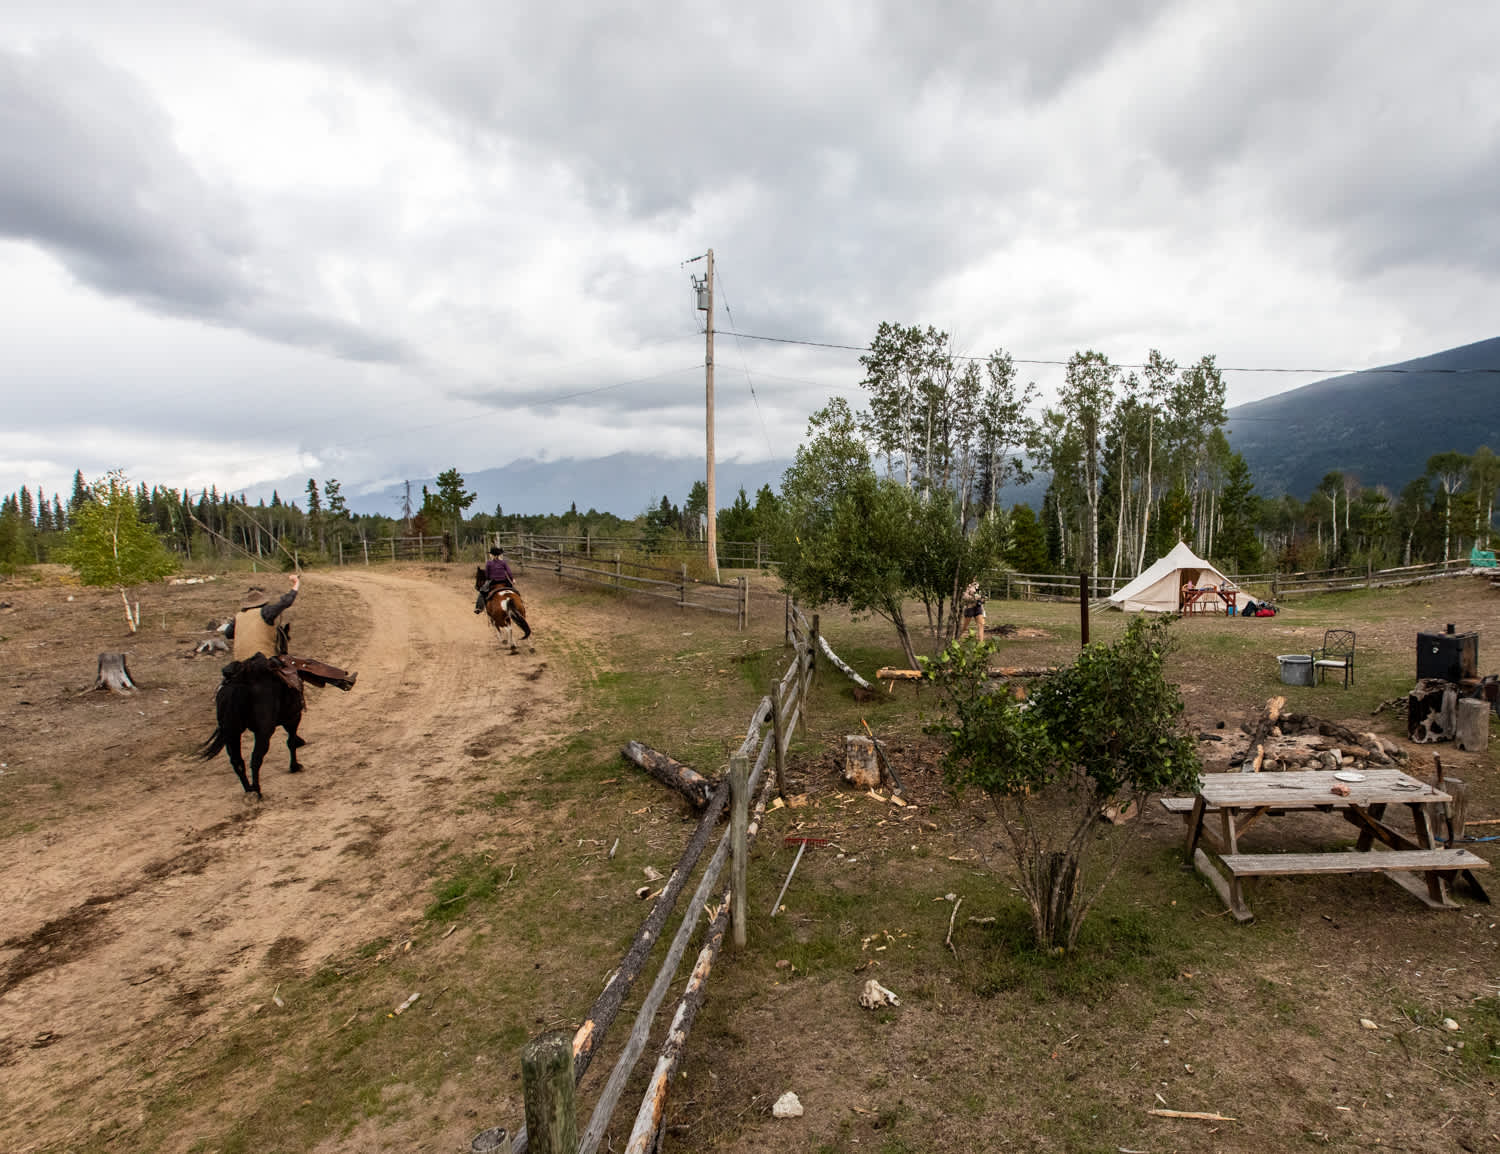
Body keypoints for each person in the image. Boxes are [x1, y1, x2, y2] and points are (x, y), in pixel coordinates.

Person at [227, 573, 299, 660]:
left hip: (240, 664)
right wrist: (296, 583)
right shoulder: (265, 612)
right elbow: (286, 602)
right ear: (263, 602)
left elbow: (228, 634)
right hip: (263, 662)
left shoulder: (238, 617)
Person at [475, 546, 517, 613]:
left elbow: (487, 575)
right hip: (504, 582)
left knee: (482, 591)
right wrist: (512, 579)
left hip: (493, 582)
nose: (490, 555)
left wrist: (488, 579)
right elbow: (509, 572)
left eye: (490, 554)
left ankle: (478, 607)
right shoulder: (503, 562)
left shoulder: (489, 563)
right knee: (514, 590)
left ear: (492, 555)